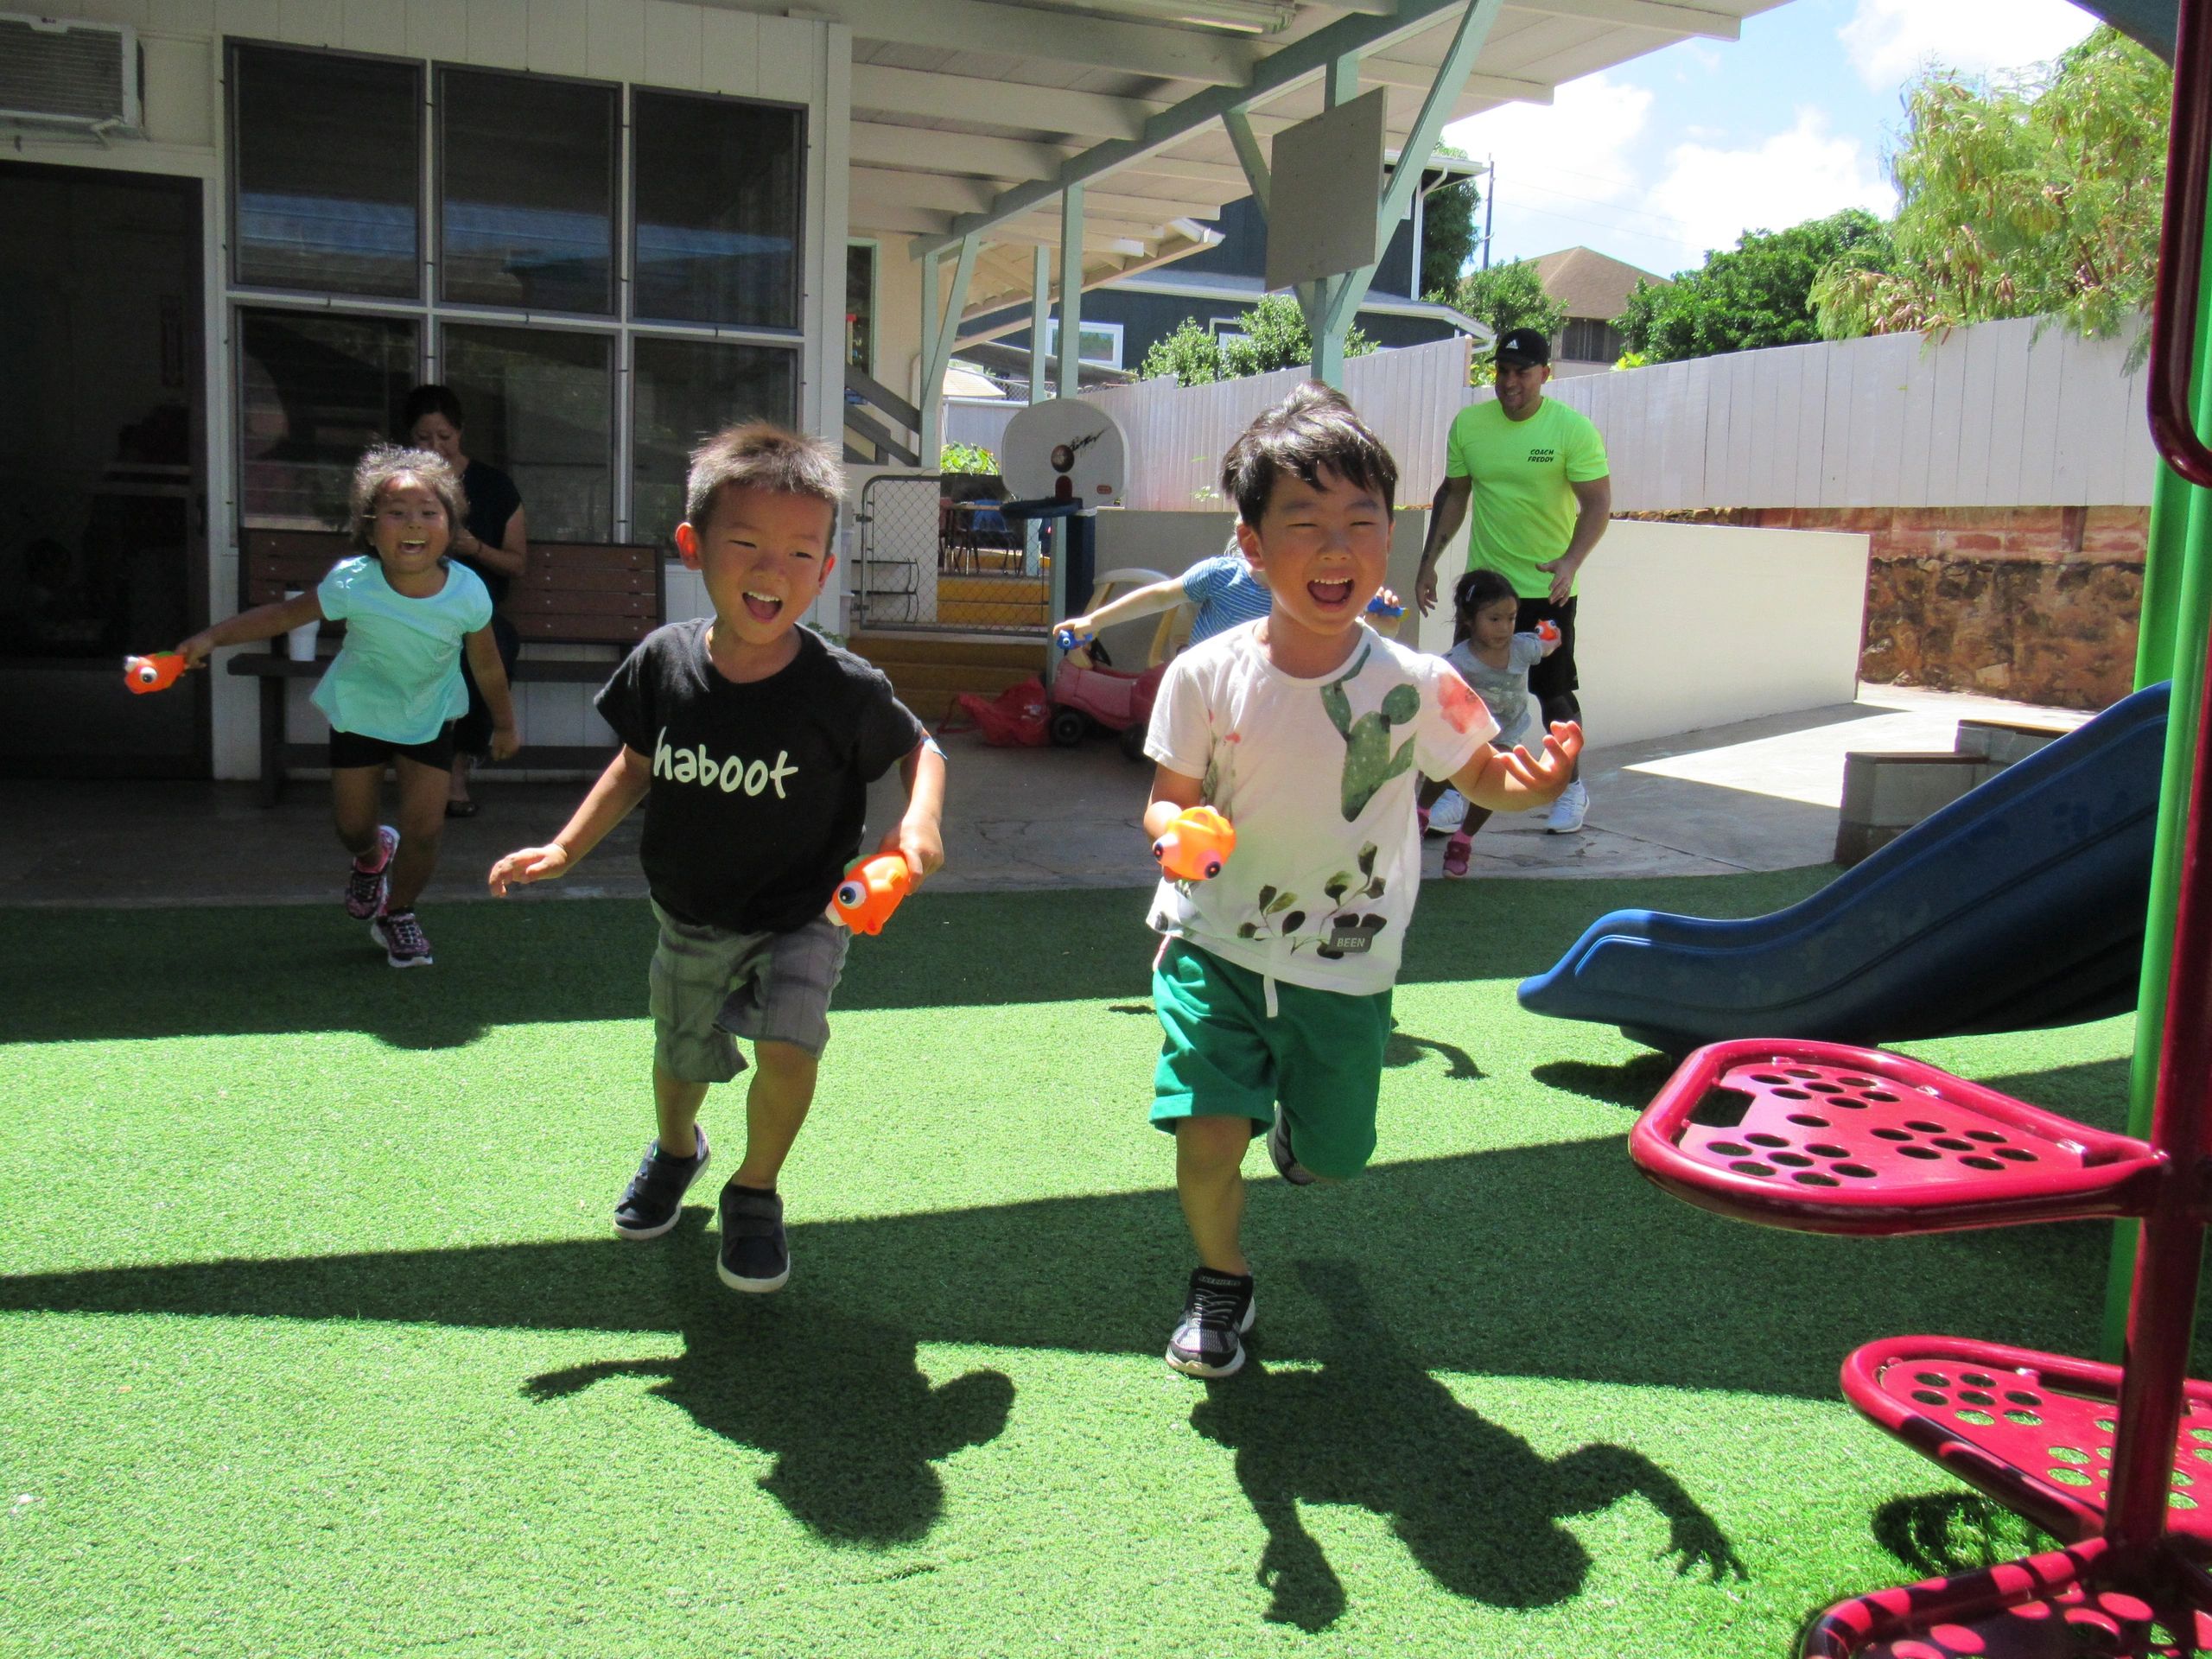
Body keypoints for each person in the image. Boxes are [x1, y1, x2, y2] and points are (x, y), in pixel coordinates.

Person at [1140, 385, 1581, 1378]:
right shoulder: (1203, 675)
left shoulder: (1416, 684)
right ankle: (1220, 1281)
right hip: (1211, 944)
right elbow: (1165, 802)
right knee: (1207, 1135)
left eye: (1360, 523)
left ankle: (1302, 1131)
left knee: (1337, 1160)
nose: (1334, 549)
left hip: (1342, 966)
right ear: (1251, 547)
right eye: (1304, 524)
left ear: (1391, 539)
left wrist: (1535, 779)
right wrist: (1180, 832)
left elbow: (1482, 777)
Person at [486, 423, 945, 1297]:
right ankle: (676, 1149)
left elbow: (923, 745)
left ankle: (755, 1188)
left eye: (799, 552)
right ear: (693, 546)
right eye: (746, 545)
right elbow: (633, 767)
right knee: (680, 1055)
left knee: (789, 1047)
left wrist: (918, 825)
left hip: (808, 907)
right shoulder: (662, 663)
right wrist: (563, 847)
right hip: (691, 909)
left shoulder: (841, 687)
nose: (771, 570)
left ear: (826, 570)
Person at [175, 446, 517, 968]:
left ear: (451, 526)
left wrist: (504, 725)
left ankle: (398, 913)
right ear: (370, 525)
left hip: (428, 715)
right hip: (361, 712)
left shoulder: (468, 591)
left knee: (426, 831)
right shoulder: (353, 581)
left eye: (429, 512)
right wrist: (210, 638)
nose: (413, 524)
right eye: (397, 513)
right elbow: (284, 616)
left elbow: (488, 666)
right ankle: (371, 853)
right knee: (351, 827)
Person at [1413, 327, 1611, 835]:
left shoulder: (1571, 430)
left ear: (1545, 374)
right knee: (1463, 697)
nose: (1509, 381)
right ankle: (1459, 790)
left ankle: (1570, 789)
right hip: (1486, 592)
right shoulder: (1471, 425)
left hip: (1548, 588)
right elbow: (1454, 494)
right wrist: (1428, 561)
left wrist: (1571, 562)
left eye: (1522, 372)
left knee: (1554, 693)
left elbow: (1597, 503)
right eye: (1502, 371)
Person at [404, 385, 528, 819]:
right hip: (413, 608)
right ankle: (417, 772)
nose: (434, 447)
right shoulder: (400, 489)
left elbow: (516, 563)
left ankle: (455, 773)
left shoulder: (493, 486)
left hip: (477, 612)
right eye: (423, 438)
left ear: (460, 432)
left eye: (444, 436)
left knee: (488, 650)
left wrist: (474, 548)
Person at [1421, 567, 1561, 877]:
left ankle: (1463, 839)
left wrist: (1551, 634)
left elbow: (1548, 645)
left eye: (1510, 618)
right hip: (1468, 734)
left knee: (1493, 786)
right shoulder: (1458, 661)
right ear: (1469, 620)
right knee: (1444, 773)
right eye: (1494, 619)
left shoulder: (1523, 648)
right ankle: (1420, 812)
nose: (1504, 628)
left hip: (1506, 734)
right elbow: (1437, 687)